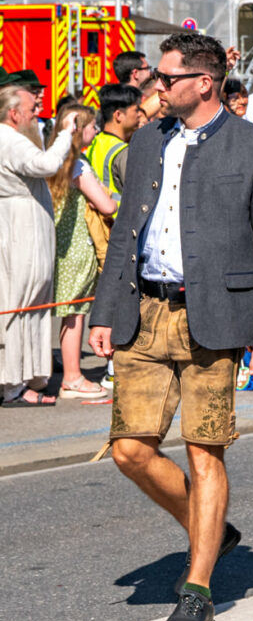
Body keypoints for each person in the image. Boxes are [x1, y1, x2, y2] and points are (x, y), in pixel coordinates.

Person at [86, 32, 253, 621]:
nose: (155, 86)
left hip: (217, 316)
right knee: (129, 450)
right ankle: (211, 528)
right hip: (144, 313)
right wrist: (103, 311)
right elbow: (126, 233)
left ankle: (199, 586)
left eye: (166, 78)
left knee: (205, 451)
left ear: (204, 83)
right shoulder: (148, 140)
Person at [0, 84, 80, 405]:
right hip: (22, 228)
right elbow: (47, 165)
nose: (37, 115)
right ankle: (14, 384)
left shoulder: (11, 138)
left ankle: (24, 377)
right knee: (23, 299)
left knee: (27, 298)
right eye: (32, 110)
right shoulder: (11, 140)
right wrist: (65, 134)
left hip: (20, 223)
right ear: (14, 114)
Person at [50, 101, 119, 400]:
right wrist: (105, 196)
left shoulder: (53, 160)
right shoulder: (78, 165)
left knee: (67, 312)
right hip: (79, 246)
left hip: (60, 245)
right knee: (75, 313)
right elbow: (108, 206)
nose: (96, 130)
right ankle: (73, 378)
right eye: (92, 126)